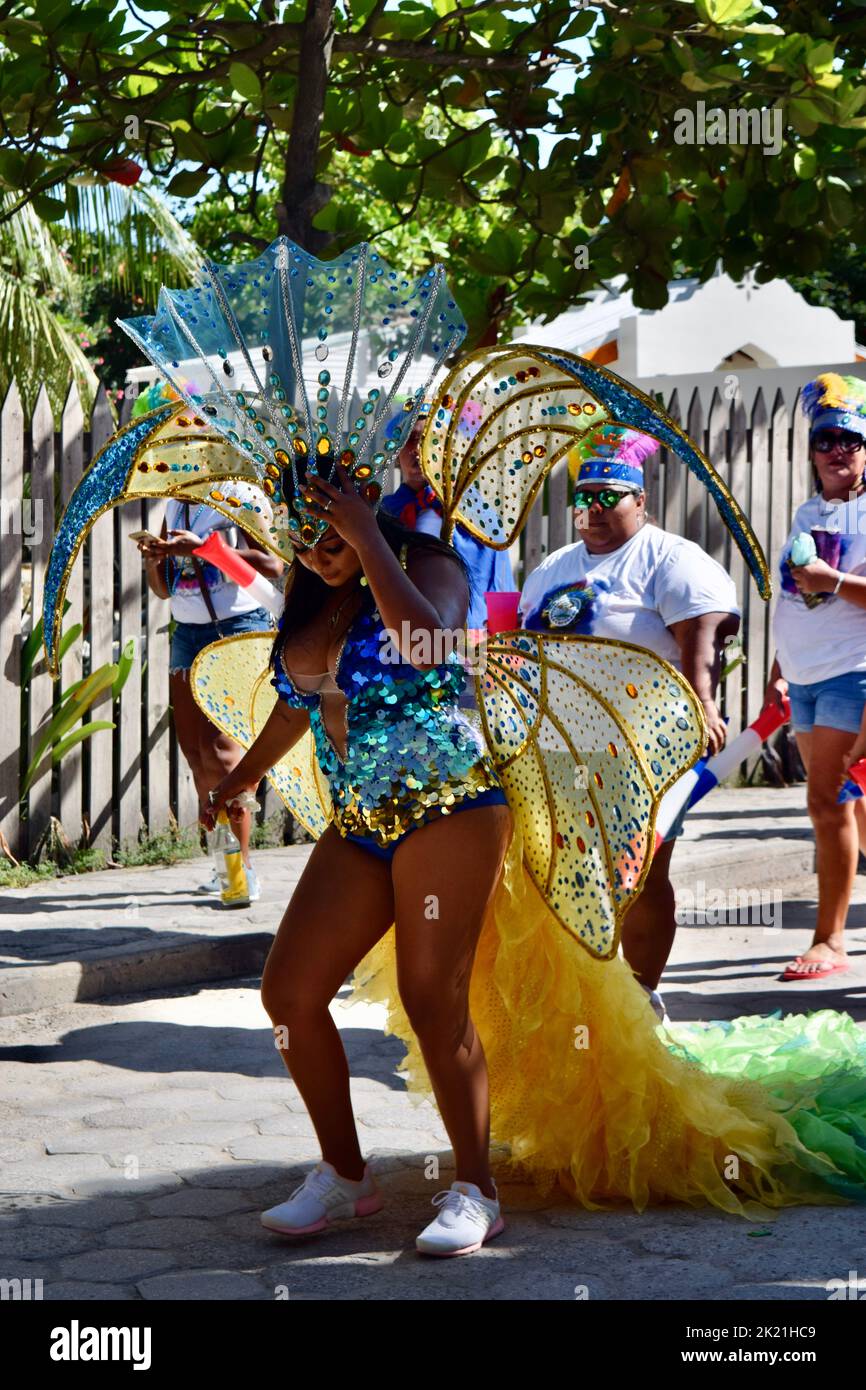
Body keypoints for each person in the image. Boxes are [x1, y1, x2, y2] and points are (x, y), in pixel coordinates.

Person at [53, 244, 866, 1256]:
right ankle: (342, 1174)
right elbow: (299, 706)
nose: (317, 547)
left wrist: (373, 534)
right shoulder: (314, 597)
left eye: (331, 527)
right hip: (364, 821)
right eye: (304, 533)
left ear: (363, 511)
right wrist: (241, 782)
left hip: (453, 809)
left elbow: (418, 638)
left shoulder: (425, 565)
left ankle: (472, 1186)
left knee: (439, 1001)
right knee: (288, 993)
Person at [518, 424, 740, 1020]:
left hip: (643, 746)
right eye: (582, 497)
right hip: (559, 746)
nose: (591, 509)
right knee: (568, 871)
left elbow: (702, 634)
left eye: (607, 496)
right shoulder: (552, 568)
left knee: (639, 872)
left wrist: (705, 704)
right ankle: (582, 994)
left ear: (639, 500)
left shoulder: (671, 557)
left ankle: (641, 997)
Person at [132, 387, 285, 897]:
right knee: (197, 752)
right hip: (187, 632)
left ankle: (240, 874)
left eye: (193, 436)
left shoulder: (240, 495)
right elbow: (162, 590)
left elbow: (275, 566)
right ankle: (224, 861)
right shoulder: (173, 505)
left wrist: (209, 549)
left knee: (224, 751)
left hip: (236, 629)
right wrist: (158, 559)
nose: (183, 450)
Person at [764, 372, 866, 981]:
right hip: (803, 677)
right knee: (850, 809)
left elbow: (827, 589)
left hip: (851, 675)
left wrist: (833, 583)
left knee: (827, 803)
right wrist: (779, 670)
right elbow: (795, 598)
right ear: (810, 450)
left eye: (850, 441)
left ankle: (830, 940)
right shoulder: (809, 510)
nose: (836, 451)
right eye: (825, 439)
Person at [380, 404, 516, 631]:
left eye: (430, 439)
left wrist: (507, 652)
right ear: (397, 451)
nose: (418, 449)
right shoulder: (382, 516)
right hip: (398, 644)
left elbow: (501, 589)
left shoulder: (479, 517)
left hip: (469, 647)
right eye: (410, 439)